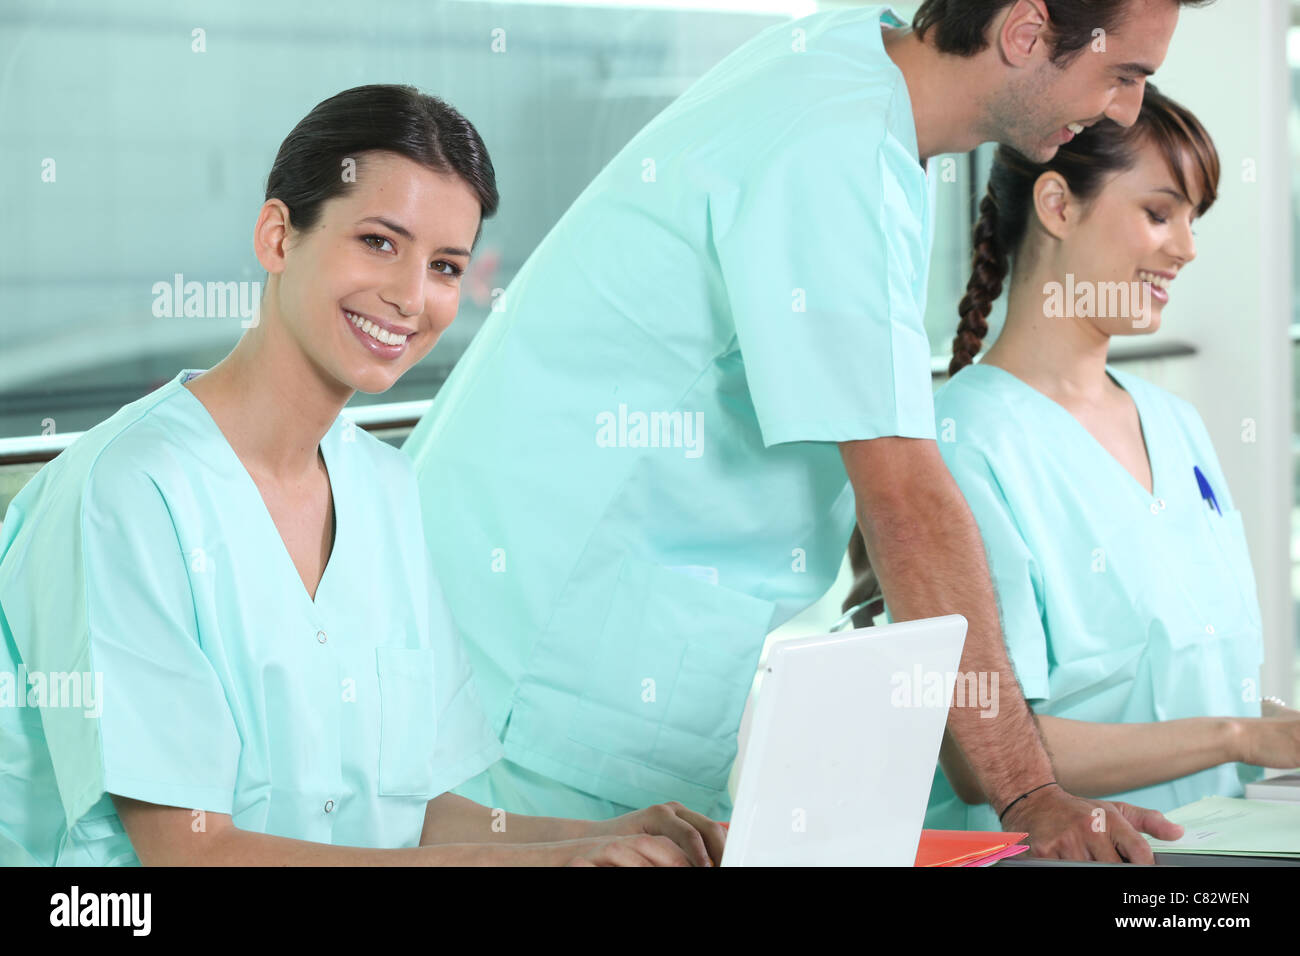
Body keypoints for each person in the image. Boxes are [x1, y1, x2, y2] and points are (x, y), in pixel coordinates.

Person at [403, 1, 1215, 861]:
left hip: (578, 659)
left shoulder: (843, 71)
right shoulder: (839, 147)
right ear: (1024, 32)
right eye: (1123, 74)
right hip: (531, 678)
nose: (1124, 109)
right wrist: (1031, 792)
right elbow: (902, 490)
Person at [0, 84, 724, 867]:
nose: (411, 297)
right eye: (380, 242)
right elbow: (191, 854)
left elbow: (407, 816)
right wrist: (539, 863)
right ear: (277, 237)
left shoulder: (383, 488)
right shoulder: (131, 491)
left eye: (445, 266)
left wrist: (606, 838)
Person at [919, 83, 1300, 829]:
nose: (1186, 249)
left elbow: (1182, 685)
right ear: (1057, 206)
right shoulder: (966, 443)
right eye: (1159, 214)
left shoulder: (1174, 423)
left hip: (1204, 855)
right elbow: (979, 756)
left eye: (1192, 221)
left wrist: (1273, 727)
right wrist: (1245, 737)